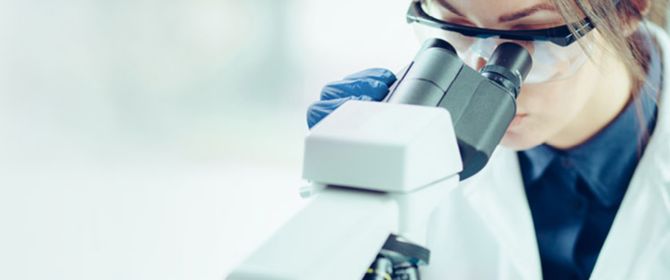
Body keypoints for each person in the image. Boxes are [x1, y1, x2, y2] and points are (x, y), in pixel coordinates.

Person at [306, 0, 670, 279]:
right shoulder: (411, 140)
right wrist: (346, 208)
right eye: (454, 26)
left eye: (530, 34)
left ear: (627, 9)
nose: (481, 69)